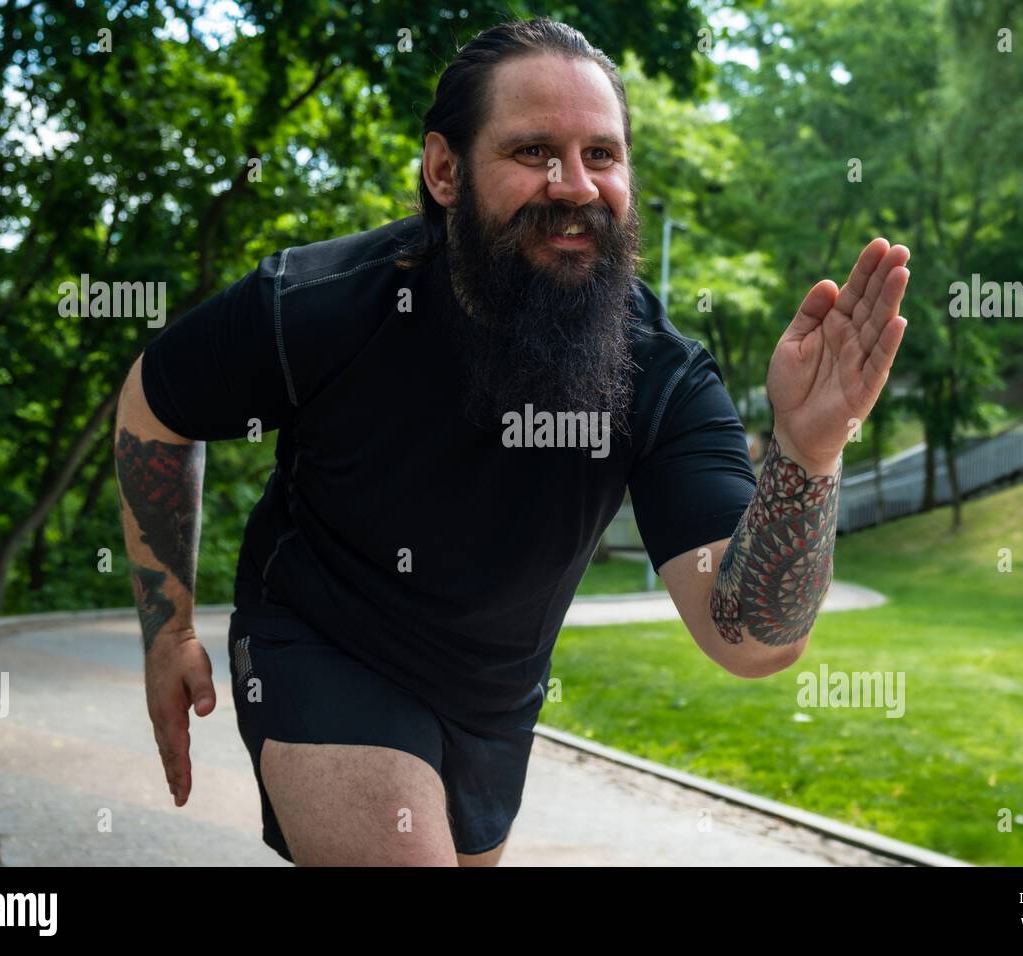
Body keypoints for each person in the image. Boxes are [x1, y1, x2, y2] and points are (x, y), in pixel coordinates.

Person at [112, 16, 910, 867]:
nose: (575, 186)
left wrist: (808, 453)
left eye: (601, 156)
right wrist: (168, 631)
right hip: (322, 647)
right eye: (535, 152)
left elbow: (751, 639)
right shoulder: (322, 304)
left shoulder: (664, 376)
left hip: (495, 705)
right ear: (445, 171)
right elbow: (154, 404)